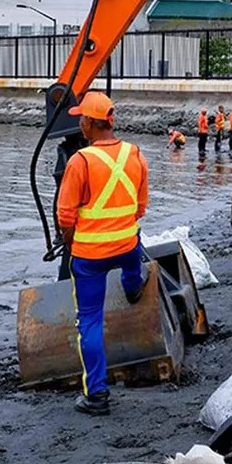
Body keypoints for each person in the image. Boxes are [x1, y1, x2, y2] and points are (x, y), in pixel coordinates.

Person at [56, 91, 149, 416]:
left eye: (81, 118)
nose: (79, 123)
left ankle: (96, 395)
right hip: (126, 246)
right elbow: (140, 207)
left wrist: (70, 244)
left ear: (89, 123)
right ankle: (133, 286)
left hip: (90, 258)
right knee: (133, 261)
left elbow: (65, 216)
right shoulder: (134, 154)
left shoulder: (79, 162)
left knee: (90, 321)